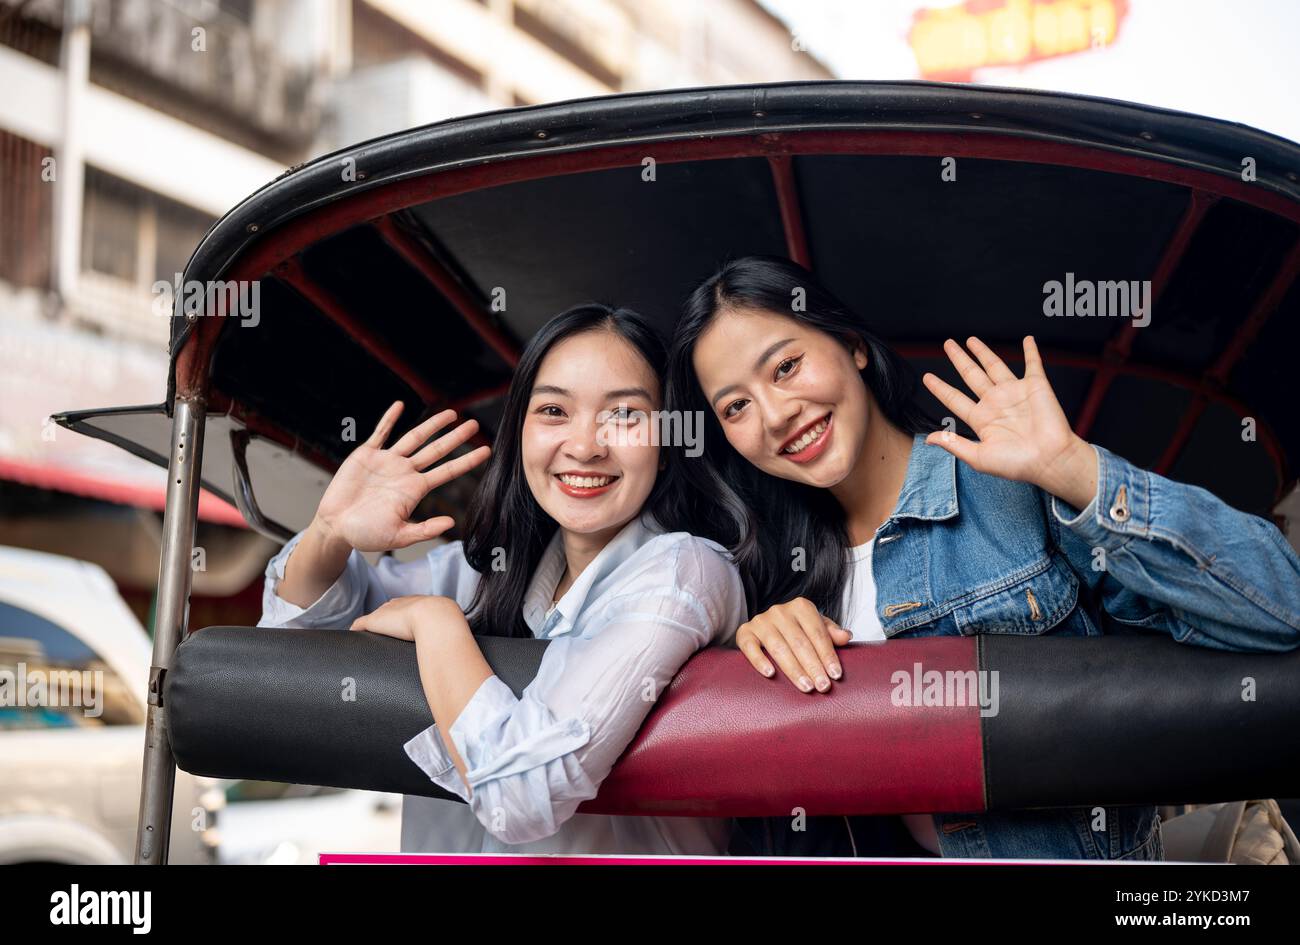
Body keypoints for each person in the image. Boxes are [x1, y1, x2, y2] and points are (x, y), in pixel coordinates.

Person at [665, 254, 1300, 861]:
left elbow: (1281, 609)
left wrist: (1076, 471)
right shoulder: (765, 575)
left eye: (786, 367)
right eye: (736, 407)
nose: (776, 414)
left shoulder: (1012, 492)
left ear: (852, 346)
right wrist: (751, 654)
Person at [258, 304, 748, 854]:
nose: (586, 446)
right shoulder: (486, 570)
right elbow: (294, 654)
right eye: (554, 411)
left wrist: (436, 624)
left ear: (665, 445)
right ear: (520, 433)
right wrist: (330, 532)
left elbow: (521, 797)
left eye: (624, 415)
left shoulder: (684, 572)